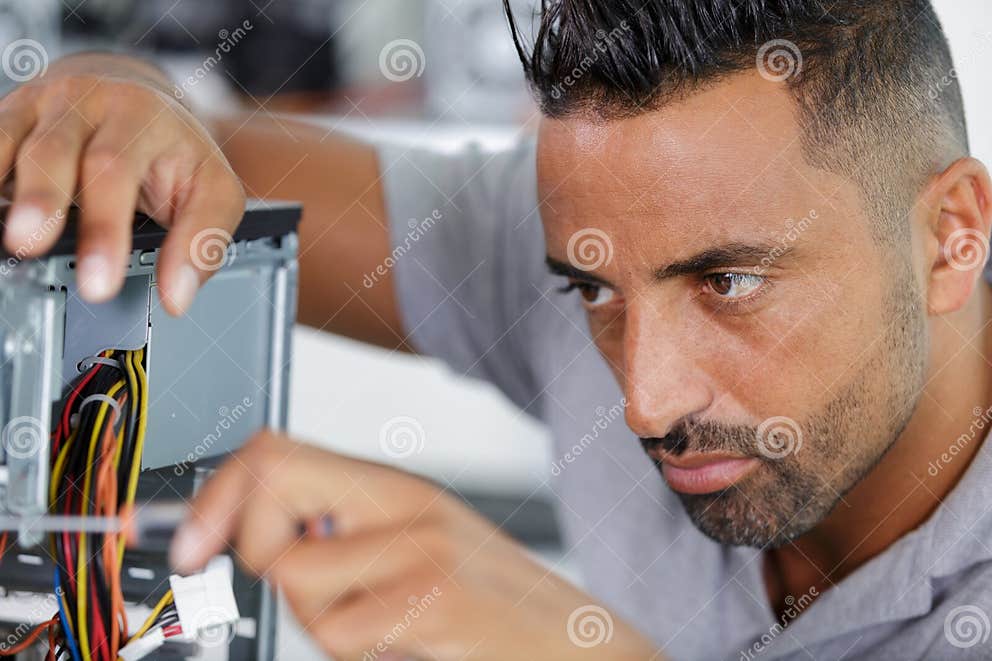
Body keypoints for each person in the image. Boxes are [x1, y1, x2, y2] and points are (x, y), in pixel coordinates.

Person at [1, 0, 989, 659]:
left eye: (727, 281)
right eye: (589, 291)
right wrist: (109, 92)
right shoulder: (600, 227)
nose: (644, 401)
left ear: (950, 236)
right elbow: (190, 158)